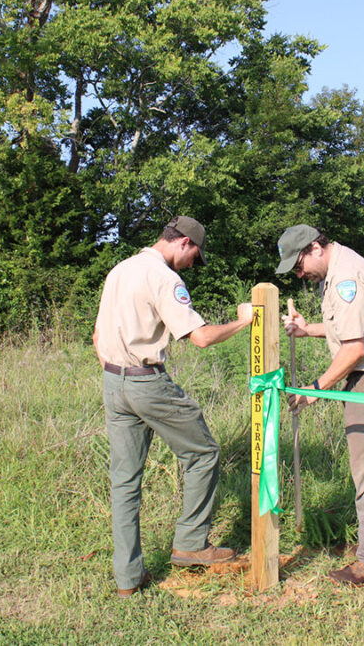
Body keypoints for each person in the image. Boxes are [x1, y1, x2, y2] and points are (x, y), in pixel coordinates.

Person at [93, 216, 253, 597]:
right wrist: (242, 322)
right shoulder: (164, 278)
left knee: (124, 481)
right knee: (203, 453)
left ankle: (128, 579)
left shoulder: (119, 270)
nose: (192, 265)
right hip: (145, 382)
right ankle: (191, 544)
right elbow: (200, 337)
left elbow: (98, 335)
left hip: (113, 380)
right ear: (183, 242)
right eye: (194, 257)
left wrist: (119, 375)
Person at [276, 224, 364, 587]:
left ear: (316, 248)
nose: (299, 274)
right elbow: (347, 329)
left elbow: (354, 348)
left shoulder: (346, 276)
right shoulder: (336, 272)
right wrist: (307, 329)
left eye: (299, 265)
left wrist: (314, 390)